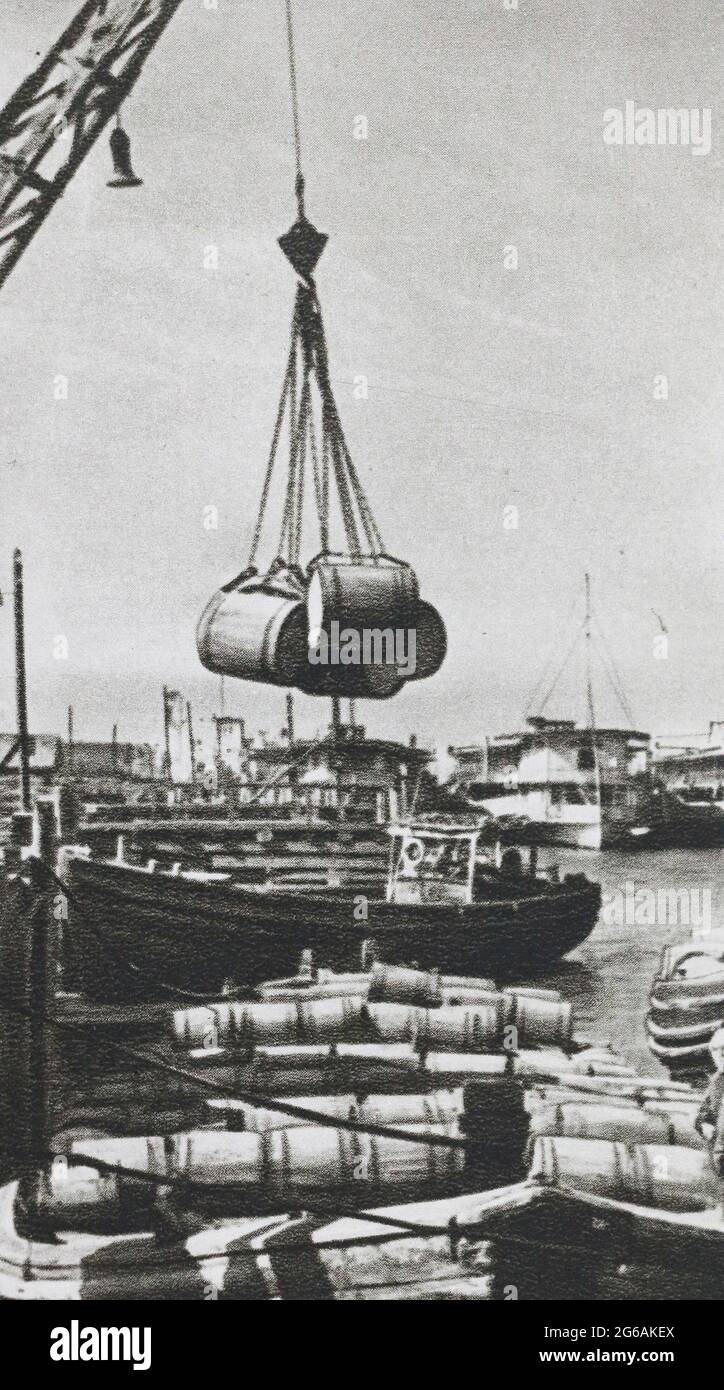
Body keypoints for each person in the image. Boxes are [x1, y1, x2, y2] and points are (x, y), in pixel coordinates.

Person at [694, 1027, 724, 1215]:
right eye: (717, 1050)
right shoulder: (718, 1080)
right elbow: (704, 1112)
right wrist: (703, 1123)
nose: (721, 1055)